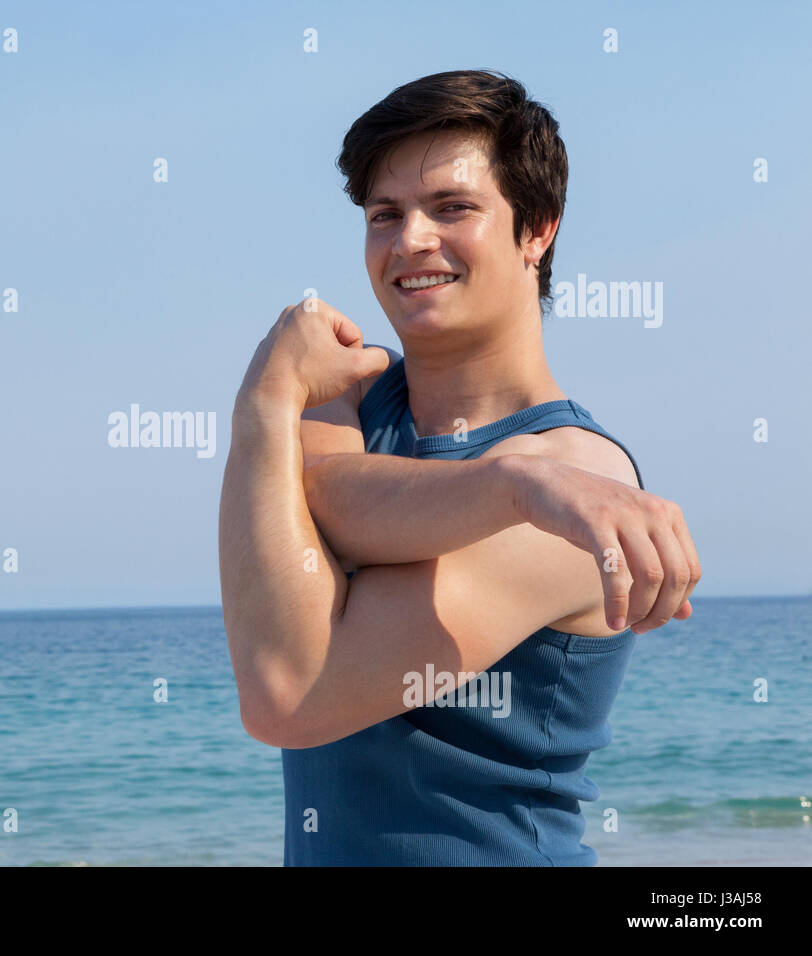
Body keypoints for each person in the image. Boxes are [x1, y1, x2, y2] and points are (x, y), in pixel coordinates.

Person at [217, 69, 701, 865]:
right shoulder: (355, 404)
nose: (410, 240)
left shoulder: (579, 475)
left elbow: (290, 696)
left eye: (453, 208)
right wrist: (513, 486)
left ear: (536, 229)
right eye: (385, 215)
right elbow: (337, 502)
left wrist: (268, 406)